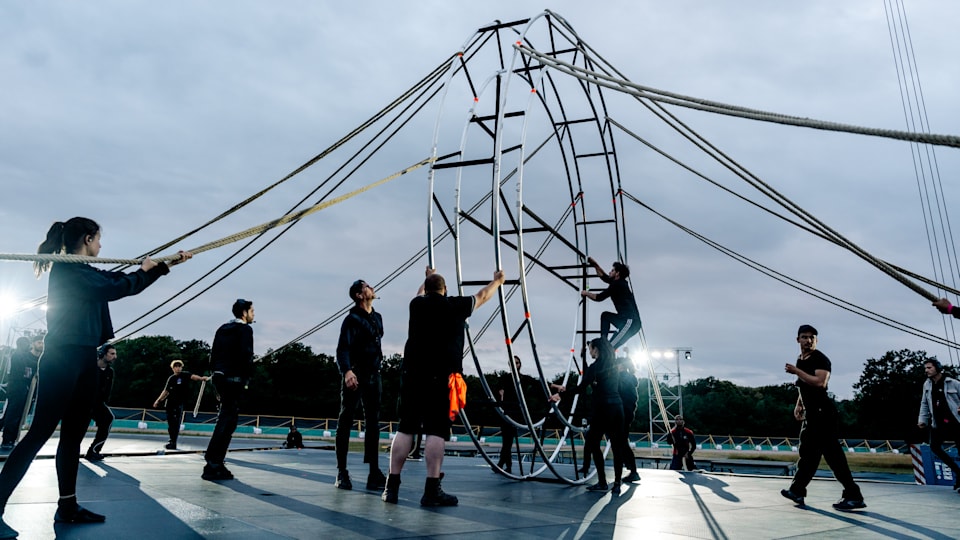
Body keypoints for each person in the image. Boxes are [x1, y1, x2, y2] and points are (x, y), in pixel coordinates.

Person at [0, 217, 191, 538]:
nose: (101, 247)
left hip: (85, 357)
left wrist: (164, 265)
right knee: (39, 433)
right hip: (62, 359)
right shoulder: (67, 270)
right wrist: (152, 271)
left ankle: (68, 505)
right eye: (99, 240)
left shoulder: (84, 271)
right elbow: (116, 287)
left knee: (74, 435)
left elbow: (113, 279)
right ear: (88, 239)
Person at [382, 266, 506, 506]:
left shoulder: (416, 306)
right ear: (445, 290)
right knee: (436, 431)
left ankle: (391, 486)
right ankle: (431, 489)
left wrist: (426, 279)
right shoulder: (455, 306)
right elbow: (482, 296)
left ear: (427, 289)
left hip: (413, 374)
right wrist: (498, 282)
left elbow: (420, 294)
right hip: (441, 376)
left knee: (406, 428)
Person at [780, 324, 866, 510]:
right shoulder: (801, 359)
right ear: (798, 340)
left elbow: (820, 382)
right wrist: (799, 404)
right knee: (809, 454)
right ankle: (797, 490)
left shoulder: (820, 359)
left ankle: (853, 495)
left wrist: (796, 371)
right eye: (804, 337)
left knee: (832, 456)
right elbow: (803, 385)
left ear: (816, 340)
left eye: (812, 337)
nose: (808, 341)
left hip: (824, 414)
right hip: (812, 413)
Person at [550, 338, 627, 492]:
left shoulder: (595, 367)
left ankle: (602, 481)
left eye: (590, 349)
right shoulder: (614, 364)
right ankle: (617, 483)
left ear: (596, 349)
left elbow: (581, 388)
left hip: (602, 408)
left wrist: (561, 396)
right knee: (617, 445)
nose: (590, 351)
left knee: (592, 442)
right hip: (617, 407)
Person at [334, 279, 387, 491]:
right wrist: (347, 371)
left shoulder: (378, 317)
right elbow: (342, 348)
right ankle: (342, 472)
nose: (371, 287)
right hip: (355, 375)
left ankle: (374, 472)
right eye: (367, 286)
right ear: (359, 294)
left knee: (373, 423)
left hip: (374, 375)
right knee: (346, 419)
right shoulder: (351, 319)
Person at [202, 298, 255, 481]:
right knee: (228, 420)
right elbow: (246, 355)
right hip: (234, 379)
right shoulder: (245, 330)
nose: (253, 314)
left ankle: (216, 462)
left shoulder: (222, 329)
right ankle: (213, 463)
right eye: (252, 311)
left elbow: (213, 354)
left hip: (220, 377)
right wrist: (247, 379)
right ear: (244, 313)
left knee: (225, 418)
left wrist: (216, 376)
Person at [917, 358, 960, 490]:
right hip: (938, 422)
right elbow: (924, 403)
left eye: (929, 368)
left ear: (937, 368)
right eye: (925, 368)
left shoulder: (953, 383)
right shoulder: (927, 385)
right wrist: (922, 419)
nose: (927, 370)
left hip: (955, 421)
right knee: (934, 447)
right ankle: (958, 472)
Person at [581, 257, 641, 349]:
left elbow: (599, 297)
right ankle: (603, 341)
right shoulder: (617, 282)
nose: (610, 272)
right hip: (623, 320)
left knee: (610, 348)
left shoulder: (618, 285)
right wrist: (595, 264)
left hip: (631, 322)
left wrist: (585, 293)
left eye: (612, 271)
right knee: (605, 316)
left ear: (617, 274)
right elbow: (604, 276)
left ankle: (605, 348)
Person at [152, 359, 208, 450]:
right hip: (170, 403)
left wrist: (202, 378)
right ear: (173, 368)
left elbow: (193, 377)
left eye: (179, 366)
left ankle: (173, 442)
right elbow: (165, 391)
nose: (177, 368)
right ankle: (172, 441)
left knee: (176, 423)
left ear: (181, 367)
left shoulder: (185, 375)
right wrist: (158, 401)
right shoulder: (171, 378)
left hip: (179, 404)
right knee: (171, 424)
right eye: (176, 367)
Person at [1, 335, 42, 450]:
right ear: (32, 344)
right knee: (13, 414)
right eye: (39, 342)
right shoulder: (22, 356)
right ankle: (8, 439)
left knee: (19, 415)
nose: (41, 345)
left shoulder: (40, 360)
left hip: (30, 392)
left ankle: (12, 438)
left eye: (42, 343)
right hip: (18, 389)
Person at [84, 344, 117, 461]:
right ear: (102, 354)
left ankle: (93, 451)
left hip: (98, 404)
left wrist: (103, 402)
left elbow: (107, 390)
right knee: (79, 429)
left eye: (115, 354)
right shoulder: (89, 367)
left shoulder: (110, 371)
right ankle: (71, 452)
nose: (115, 357)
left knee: (108, 418)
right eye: (112, 354)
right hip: (83, 402)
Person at [495, 355, 523, 474]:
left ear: (519, 364)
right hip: (506, 412)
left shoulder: (521, 378)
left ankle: (504, 464)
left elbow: (537, 383)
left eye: (517, 363)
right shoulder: (506, 378)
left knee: (508, 441)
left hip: (515, 412)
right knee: (507, 440)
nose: (515, 365)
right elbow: (499, 390)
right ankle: (504, 464)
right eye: (513, 363)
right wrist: (501, 396)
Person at [617, 352, 641, 482]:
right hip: (626, 413)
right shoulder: (630, 378)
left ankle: (632, 470)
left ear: (620, 366)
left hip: (623, 413)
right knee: (621, 441)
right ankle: (630, 468)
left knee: (621, 442)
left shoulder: (623, 378)